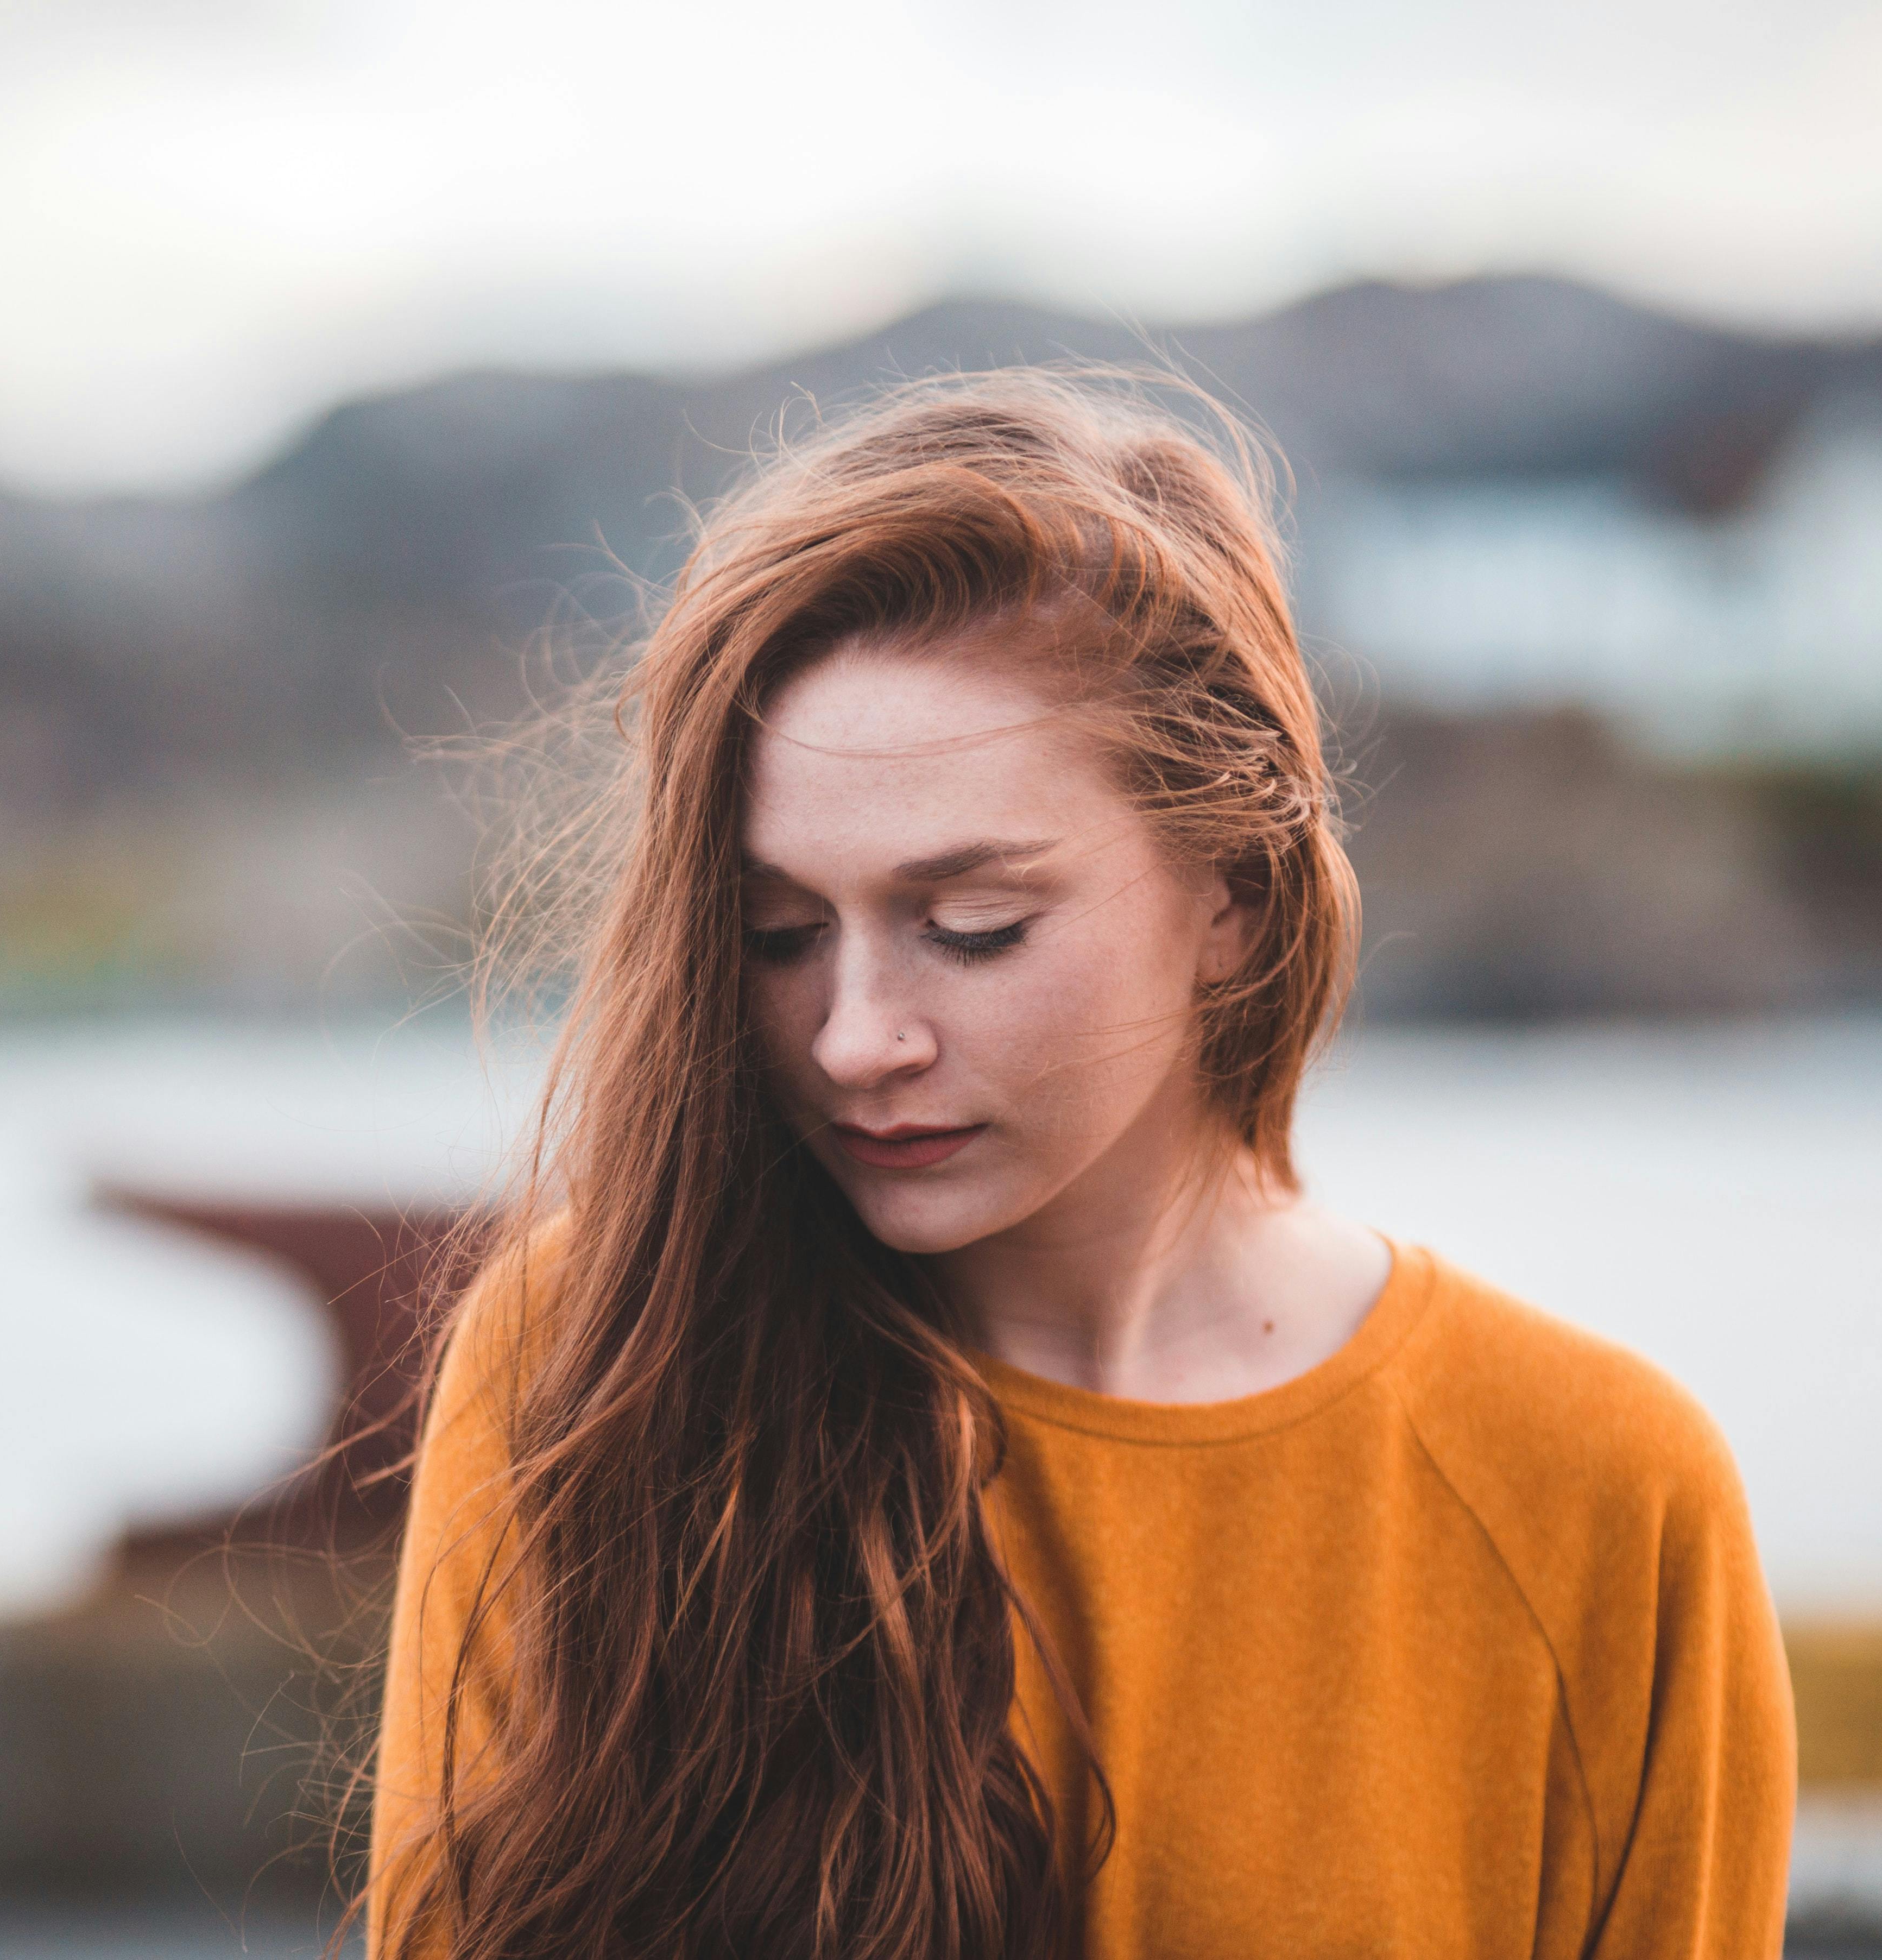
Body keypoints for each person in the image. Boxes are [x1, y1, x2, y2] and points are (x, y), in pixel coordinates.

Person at [364, 371, 1796, 1959]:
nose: (853, 1036)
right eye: (778, 934)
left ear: (1234, 894)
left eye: (973, 927)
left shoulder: (1599, 1494)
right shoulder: (598, 1367)